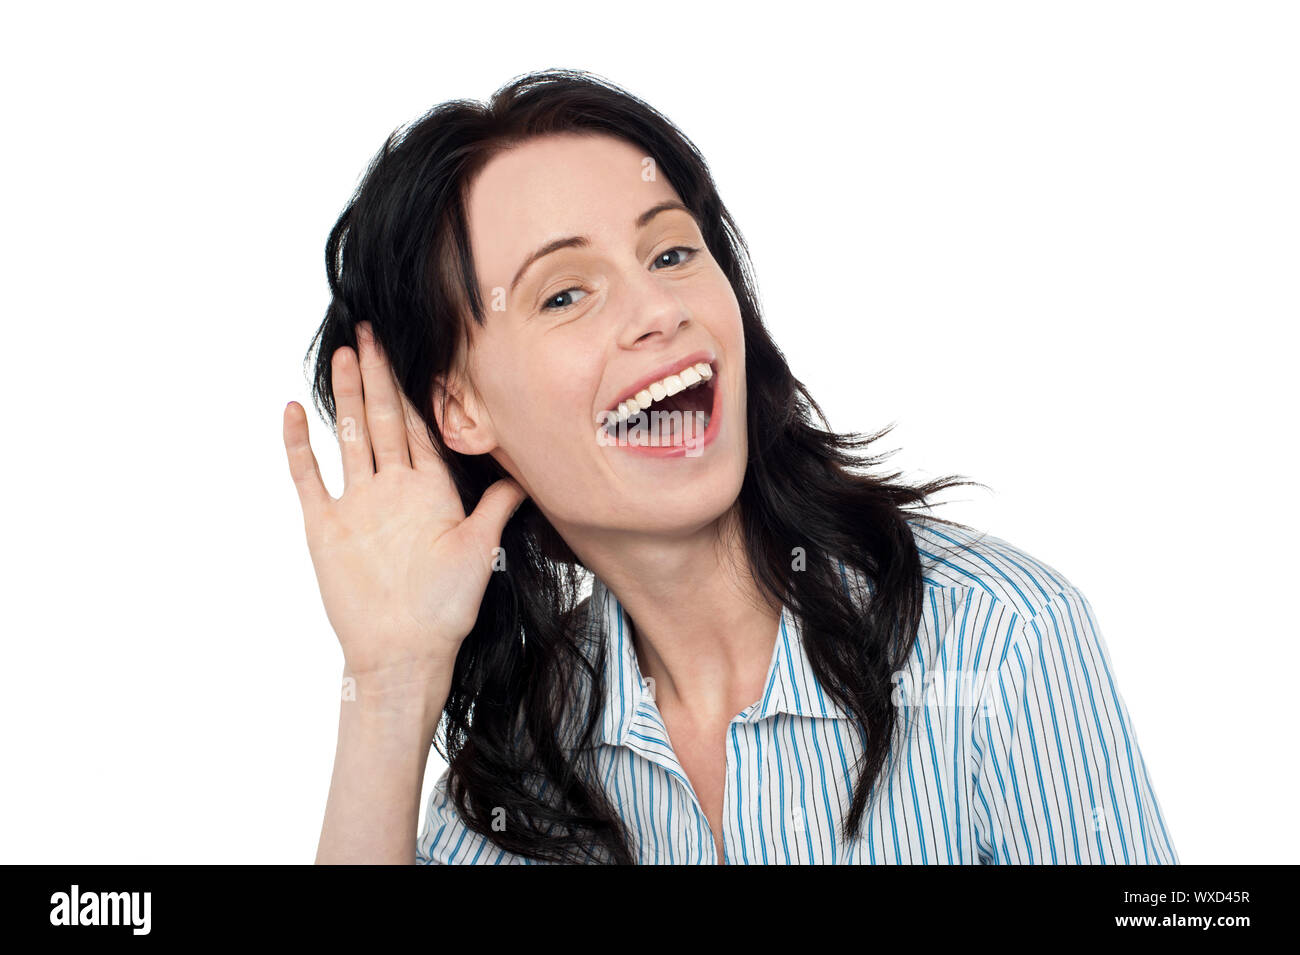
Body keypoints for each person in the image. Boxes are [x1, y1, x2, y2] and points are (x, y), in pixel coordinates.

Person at [282, 69, 1178, 865]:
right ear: (461, 409)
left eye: (671, 252)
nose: (659, 308)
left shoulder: (1000, 640)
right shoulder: (529, 763)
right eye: (565, 293)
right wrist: (391, 686)